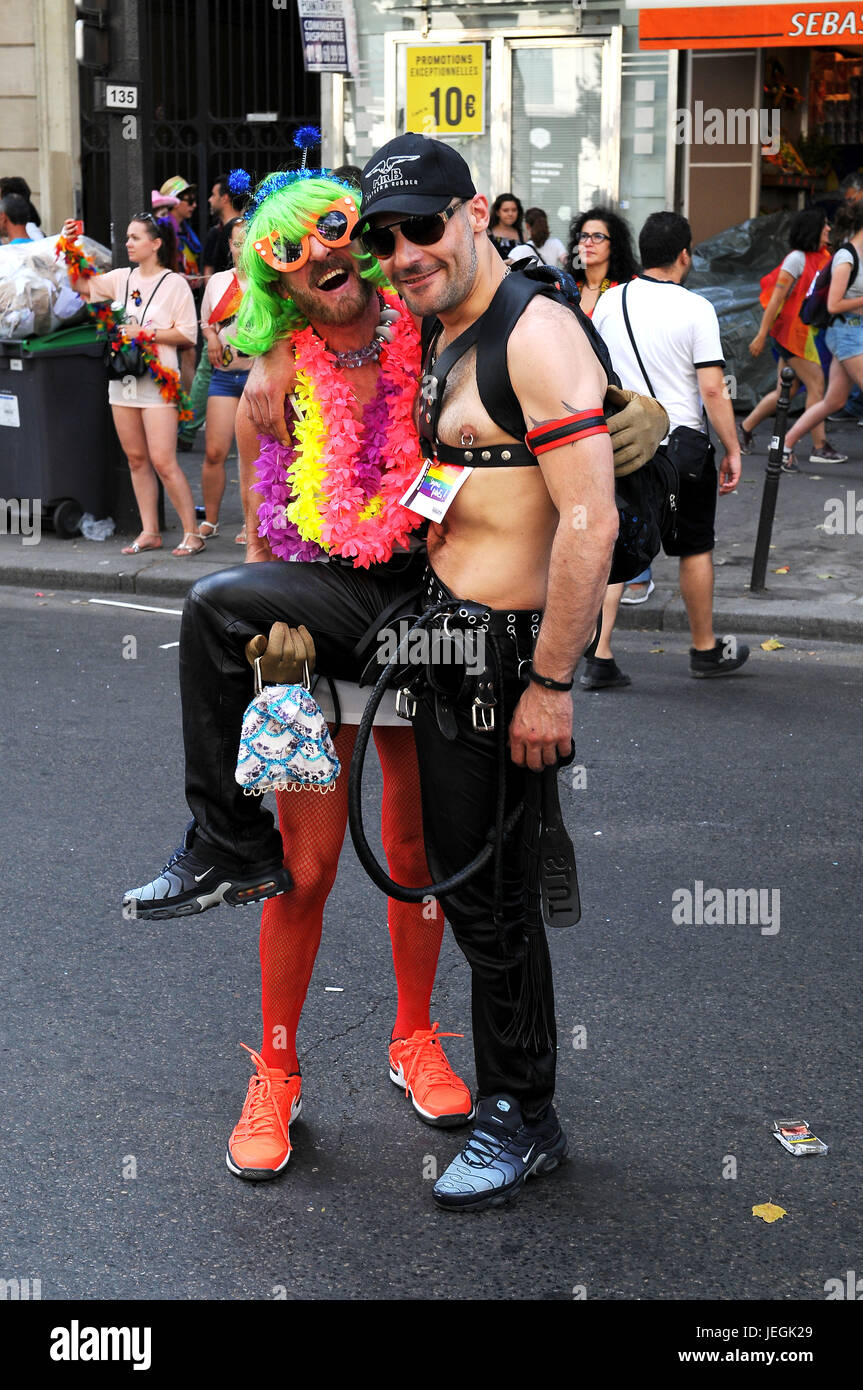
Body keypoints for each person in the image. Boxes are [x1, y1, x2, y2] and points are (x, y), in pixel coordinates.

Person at [123, 134, 666, 1210]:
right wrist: (270, 351)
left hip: (458, 635)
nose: (391, 250)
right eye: (383, 234)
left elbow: (576, 480)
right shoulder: (342, 346)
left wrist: (552, 674)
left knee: (448, 869)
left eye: (404, 228)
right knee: (306, 858)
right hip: (355, 620)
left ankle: (458, 1065)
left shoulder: (483, 324)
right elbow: (264, 499)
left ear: (460, 220)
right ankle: (266, 1024)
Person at [203, 173, 475, 1177]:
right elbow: (255, 541)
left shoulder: (430, 342)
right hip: (308, 626)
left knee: (414, 843)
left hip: (417, 611)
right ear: (279, 278)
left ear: (357, 236)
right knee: (306, 864)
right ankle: (275, 1068)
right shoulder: (272, 379)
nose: (323, 259)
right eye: (291, 254)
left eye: (333, 235)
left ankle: (414, 1035)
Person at [588, 210, 749, 687]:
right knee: (695, 547)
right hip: (683, 449)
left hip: (625, 445)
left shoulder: (609, 301)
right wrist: (733, 448)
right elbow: (714, 391)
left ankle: (599, 656)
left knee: (621, 543)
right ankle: (703, 649)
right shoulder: (696, 307)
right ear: (684, 255)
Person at [60, 212, 204, 556]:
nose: (128, 243)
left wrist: (146, 333)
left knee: (163, 461)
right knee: (136, 460)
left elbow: (187, 334)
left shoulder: (174, 284)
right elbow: (81, 286)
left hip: (158, 383)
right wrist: (69, 244)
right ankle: (150, 531)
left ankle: (191, 532)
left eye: (135, 238)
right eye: (127, 237)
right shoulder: (121, 278)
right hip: (123, 383)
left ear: (155, 244)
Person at [738, 209, 845, 468]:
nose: (828, 230)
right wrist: (761, 335)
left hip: (806, 334)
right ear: (812, 230)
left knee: (786, 390)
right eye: (824, 226)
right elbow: (776, 299)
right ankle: (819, 446)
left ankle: (745, 427)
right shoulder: (796, 259)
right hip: (790, 335)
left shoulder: (824, 256)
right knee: (817, 383)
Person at [783, 197, 863, 469]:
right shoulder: (846, 255)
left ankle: (784, 445)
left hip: (856, 333)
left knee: (834, 400)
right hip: (846, 333)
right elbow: (834, 304)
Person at [195, 218, 251, 542]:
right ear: (229, 245)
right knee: (214, 452)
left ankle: (251, 524)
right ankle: (211, 521)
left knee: (252, 457)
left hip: (255, 379)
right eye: (236, 242)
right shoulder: (218, 281)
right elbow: (207, 322)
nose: (241, 247)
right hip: (224, 378)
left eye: (247, 240)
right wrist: (211, 339)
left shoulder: (266, 280)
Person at [567, 205, 639, 319]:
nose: (588, 243)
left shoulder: (630, 288)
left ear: (614, 244)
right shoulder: (567, 287)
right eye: (584, 236)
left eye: (598, 236)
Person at [488, 192, 525, 258]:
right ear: (497, 212)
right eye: (505, 210)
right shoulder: (487, 233)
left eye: (514, 210)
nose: (510, 214)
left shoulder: (523, 235)